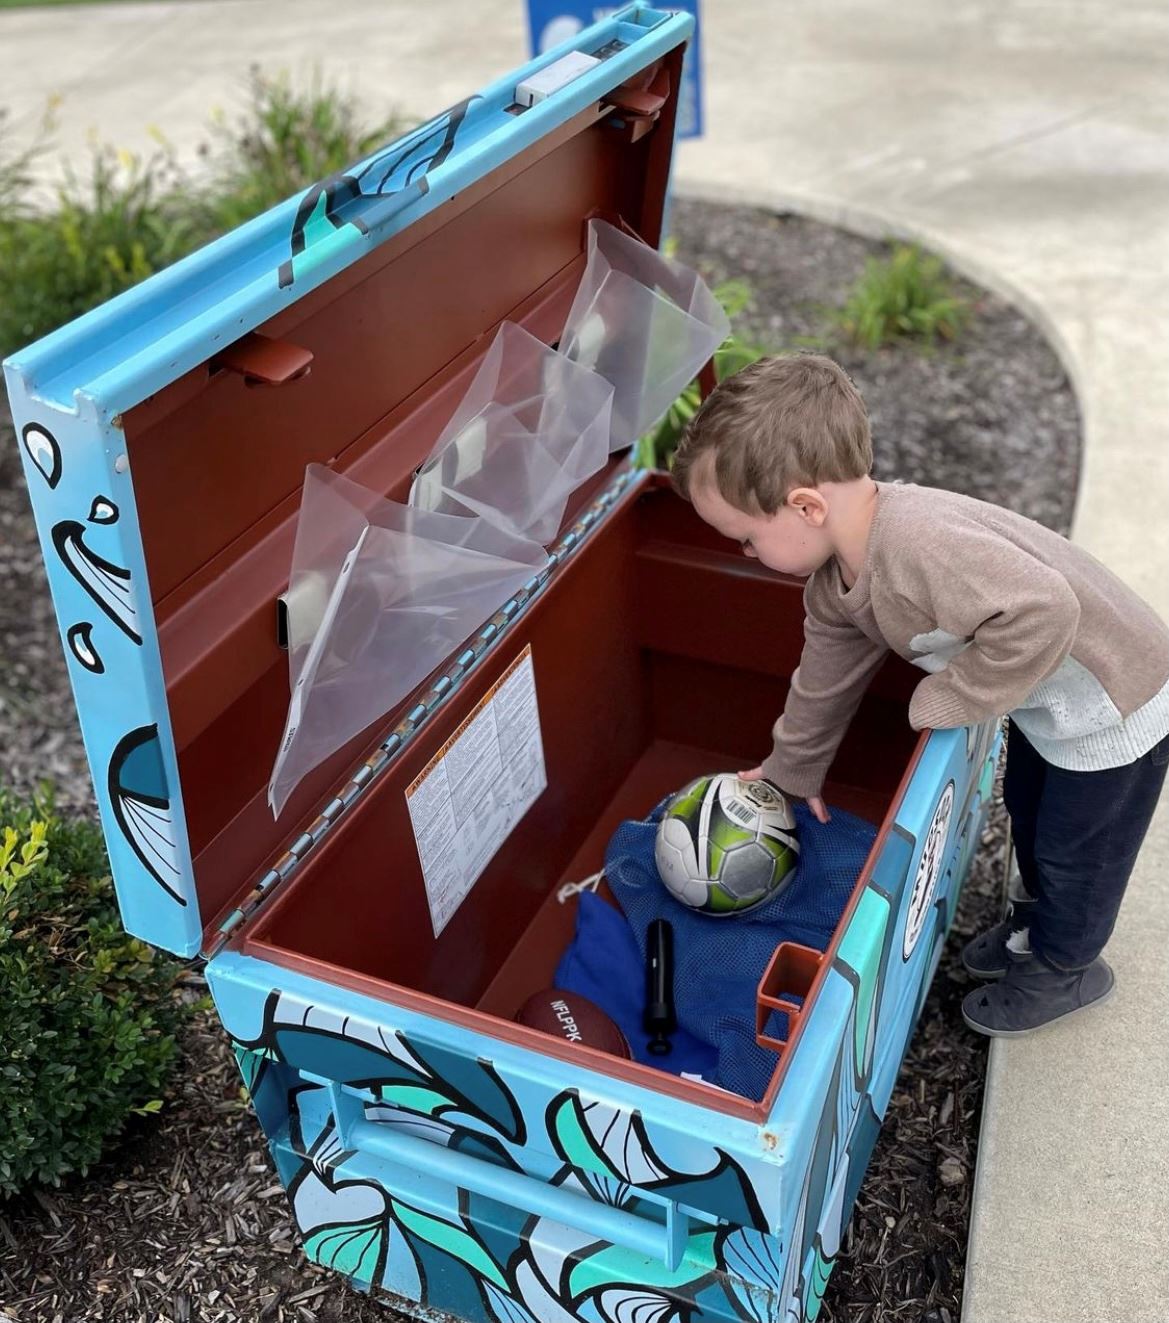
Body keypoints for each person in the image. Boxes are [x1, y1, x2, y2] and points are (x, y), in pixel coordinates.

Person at [671, 353, 1169, 1037]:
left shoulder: (919, 546)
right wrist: (791, 770)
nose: (747, 554)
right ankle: (1035, 926)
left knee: (1076, 850)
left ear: (805, 506)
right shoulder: (835, 580)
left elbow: (1045, 611)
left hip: (1117, 702)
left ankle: (1068, 966)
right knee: (1027, 812)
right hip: (1050, 704)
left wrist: (955, 693)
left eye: (746, 538)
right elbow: (825, 676)